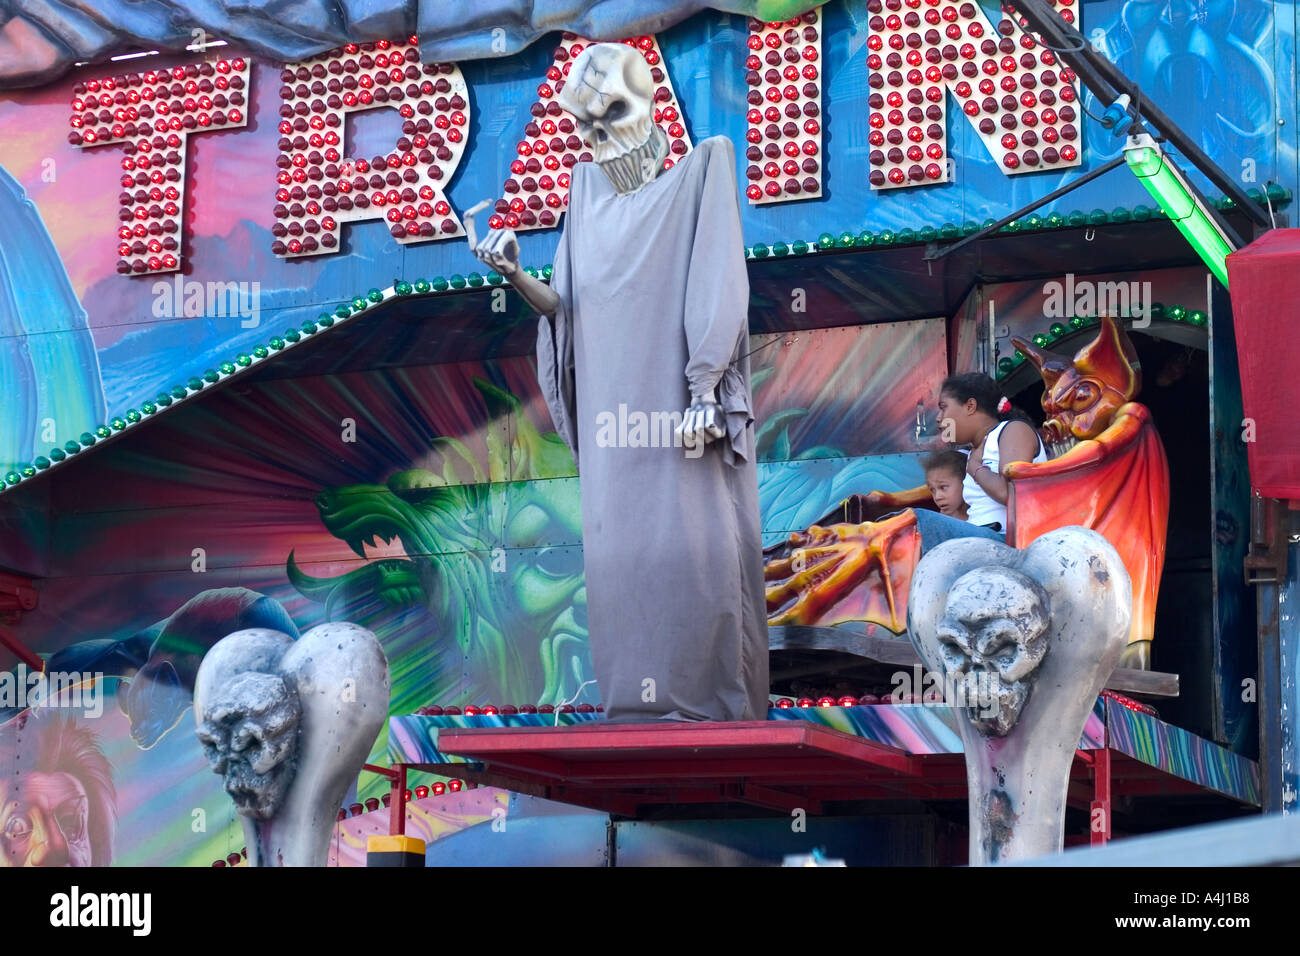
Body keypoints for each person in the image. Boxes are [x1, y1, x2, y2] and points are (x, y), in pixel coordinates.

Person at [912, 373, 1048, 554]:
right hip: (980, 536)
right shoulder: (972, 452)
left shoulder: (1013, 430)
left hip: (1006, 540)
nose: (938, 418)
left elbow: (1010, 493)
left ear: (970, 406)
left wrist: (975, 468)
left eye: (943, 408)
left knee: (916, 521)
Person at [922, 449, 970, 522]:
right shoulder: (942, 521)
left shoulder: (982, 515)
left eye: (943, 487)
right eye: (932, 490)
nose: (937, 497)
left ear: (966, 482)